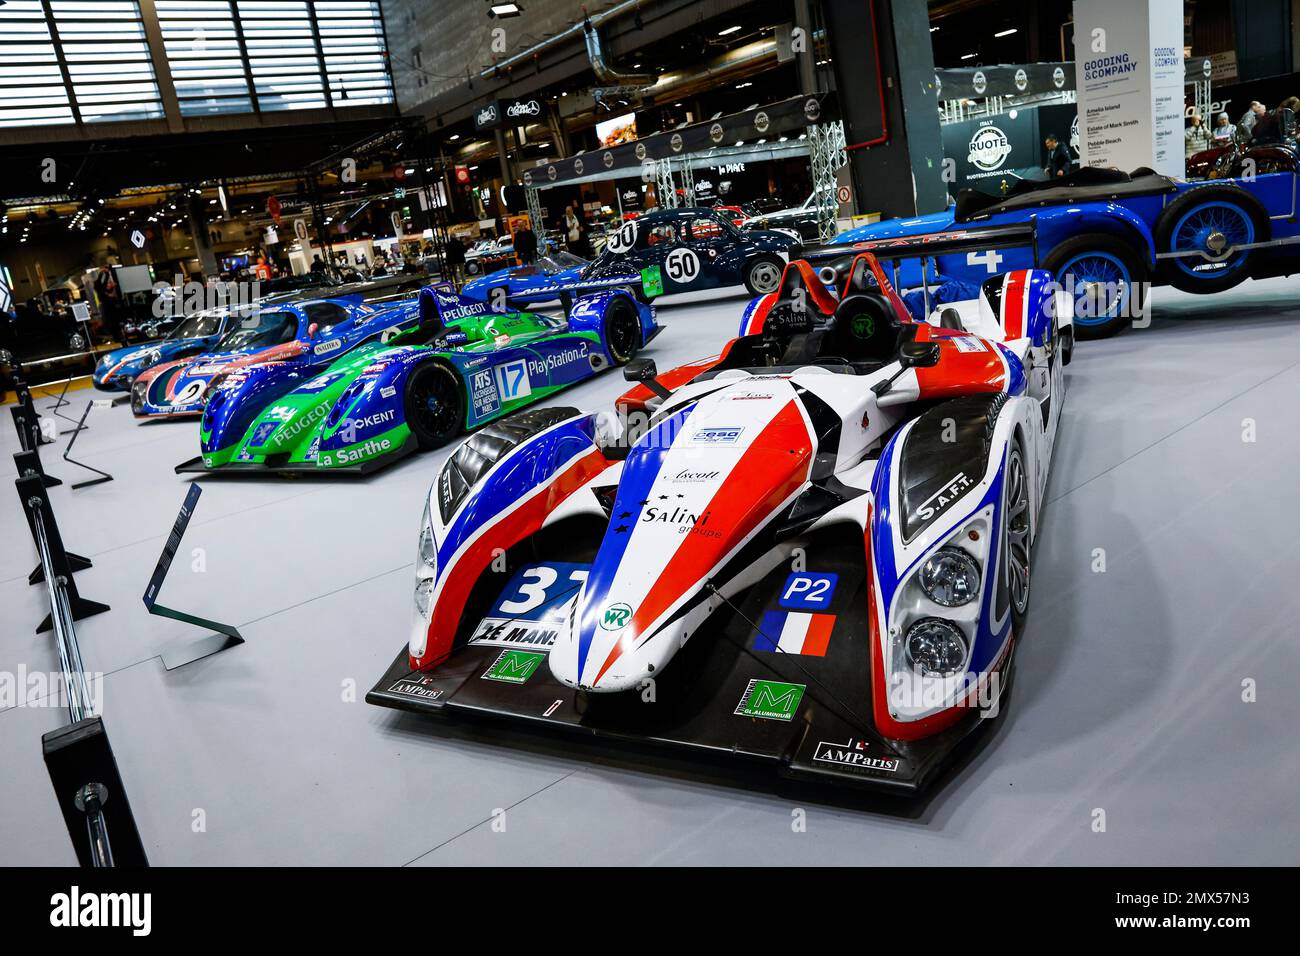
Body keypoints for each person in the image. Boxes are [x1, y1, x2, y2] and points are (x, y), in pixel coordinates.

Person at [92, 263, 123, 344]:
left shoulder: (101, 290)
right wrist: (104, 272)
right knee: (112, 323)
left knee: (112, 323)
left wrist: (105, 272)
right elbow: (102, 281)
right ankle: (116, 338)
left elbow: (103, 282)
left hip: (109, 308)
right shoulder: (100, 289)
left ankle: (116, 338)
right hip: (108, 308)